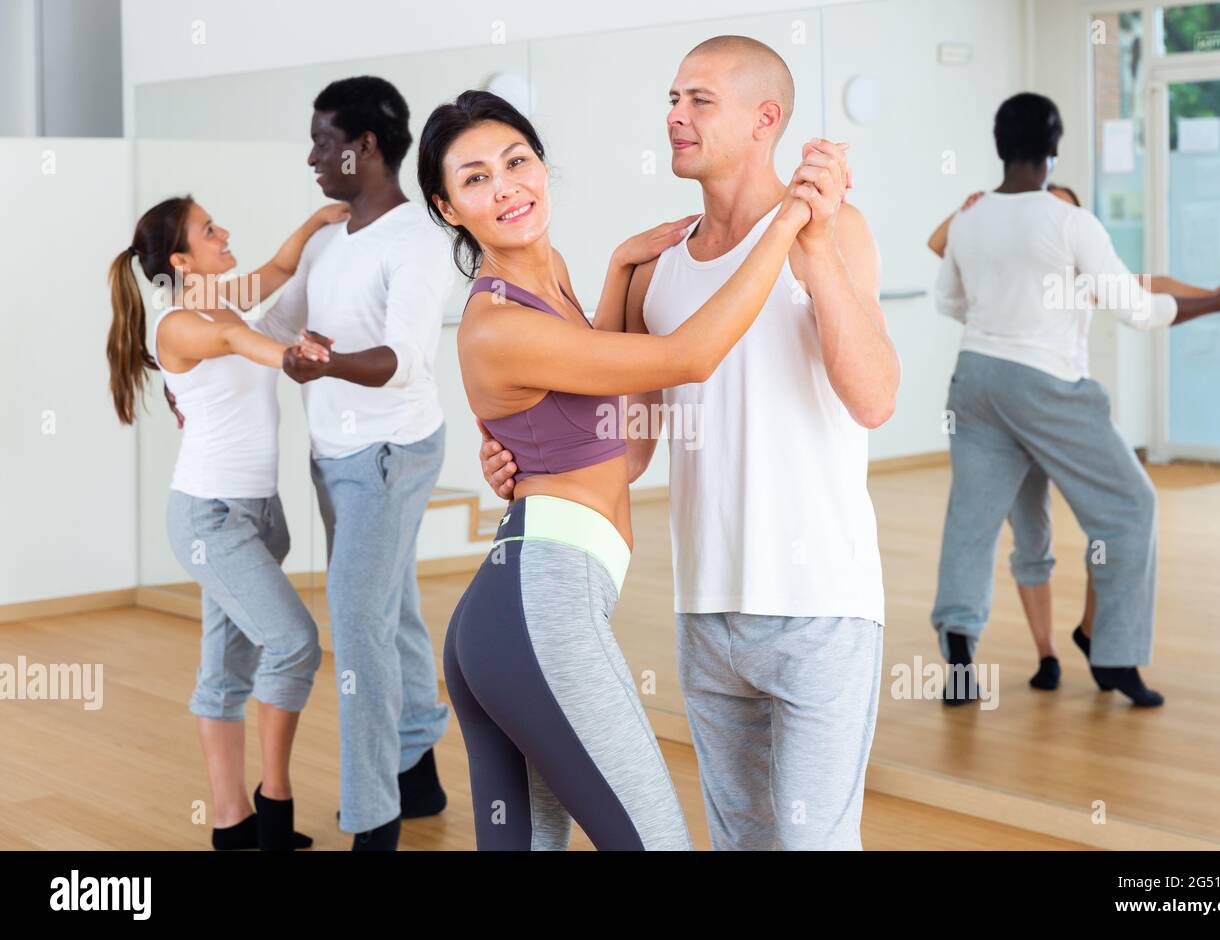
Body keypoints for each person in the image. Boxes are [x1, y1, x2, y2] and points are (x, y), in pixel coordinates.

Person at [480, 35, 898, 850]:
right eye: (672, 100)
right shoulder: (656, 268)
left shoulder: (834, 233)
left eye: (699, 101)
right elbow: (622, 451)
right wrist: (521, 458)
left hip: (822, 609)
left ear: (763, 119)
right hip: (706, 612)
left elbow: (875, 398)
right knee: (742, 841)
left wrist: (810, 240)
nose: (675, 116)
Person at [421, 88, 827, 850]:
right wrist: (788, 223)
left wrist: (615, 273)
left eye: (517, 160)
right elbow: (689, 356)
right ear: (449, 208)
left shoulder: (551, 281)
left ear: (542, 166)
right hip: (543, 610)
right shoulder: (498, 324)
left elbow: (621, 440)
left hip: (510, 615)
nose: (506, 185)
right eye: (475, 179)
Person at [930, 92, 1220, 707]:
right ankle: (1111, 654)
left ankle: (958, 657)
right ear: (1054, 150)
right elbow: (1138, 309)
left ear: (999, 146)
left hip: (975, 380)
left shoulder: (969, 219)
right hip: (1045, 382)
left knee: (971, 523)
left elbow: (949, 303)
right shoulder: (1068, 221)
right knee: (1130, 506)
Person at [250, 76, 458, 850]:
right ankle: (418, 774)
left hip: (389, 455)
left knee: (359, 627)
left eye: (324, 141)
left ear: (364, 147)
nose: (312, 156)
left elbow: (401, 361)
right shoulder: (332, 239)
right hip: (334, 456)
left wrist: (325, 365)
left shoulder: (417, 241)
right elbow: (271, 323)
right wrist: (196, 356)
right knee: (390, 608)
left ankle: (374, 819)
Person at [107, 193, 345, 849]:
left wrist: (320, 220)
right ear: (181, 259)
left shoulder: (227, 296)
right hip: (209, 520)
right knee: (295, 641)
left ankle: (231, 823)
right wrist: (293, 355)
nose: (225, 232)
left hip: (259, 516)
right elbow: (236, 341)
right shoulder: (176, 323)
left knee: (223, 674)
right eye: (210, 230)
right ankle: (275, 799)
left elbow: (277, 269)